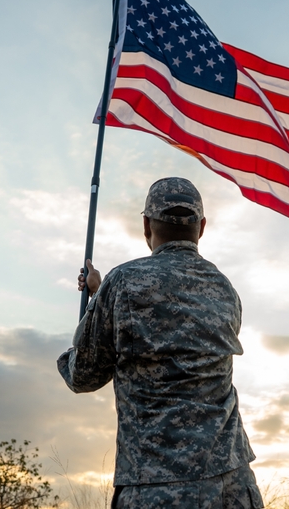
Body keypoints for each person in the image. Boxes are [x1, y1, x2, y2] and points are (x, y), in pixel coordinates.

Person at [57, 177, 264, 509]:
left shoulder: (122, 282)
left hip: (155, 488)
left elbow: (84, 375)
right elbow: (177, 327)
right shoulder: (225, 289)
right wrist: (102, 296)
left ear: (146, 225)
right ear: (202, 227)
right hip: (233, 485)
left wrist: (96, 303)